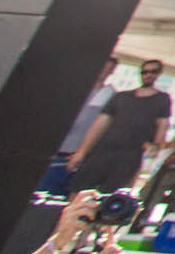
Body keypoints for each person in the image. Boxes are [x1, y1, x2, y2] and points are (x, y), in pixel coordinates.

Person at [68, 59, 171, 194]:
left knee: (112, 197)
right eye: (145, 72)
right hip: (102, 151)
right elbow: (100, 124)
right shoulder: (122, 96)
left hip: (129, 156)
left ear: (159, 74)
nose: (148, 75)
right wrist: (82, 152)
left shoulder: (162, 99)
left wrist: (156, 146)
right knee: (79, 190)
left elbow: (162, 124)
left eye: (153, 72)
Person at [42, 57, 119, 195]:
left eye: (108, 69)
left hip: (79, 157)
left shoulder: (111, 96)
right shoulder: (73, 88)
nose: (103, 72)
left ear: (112, 71)